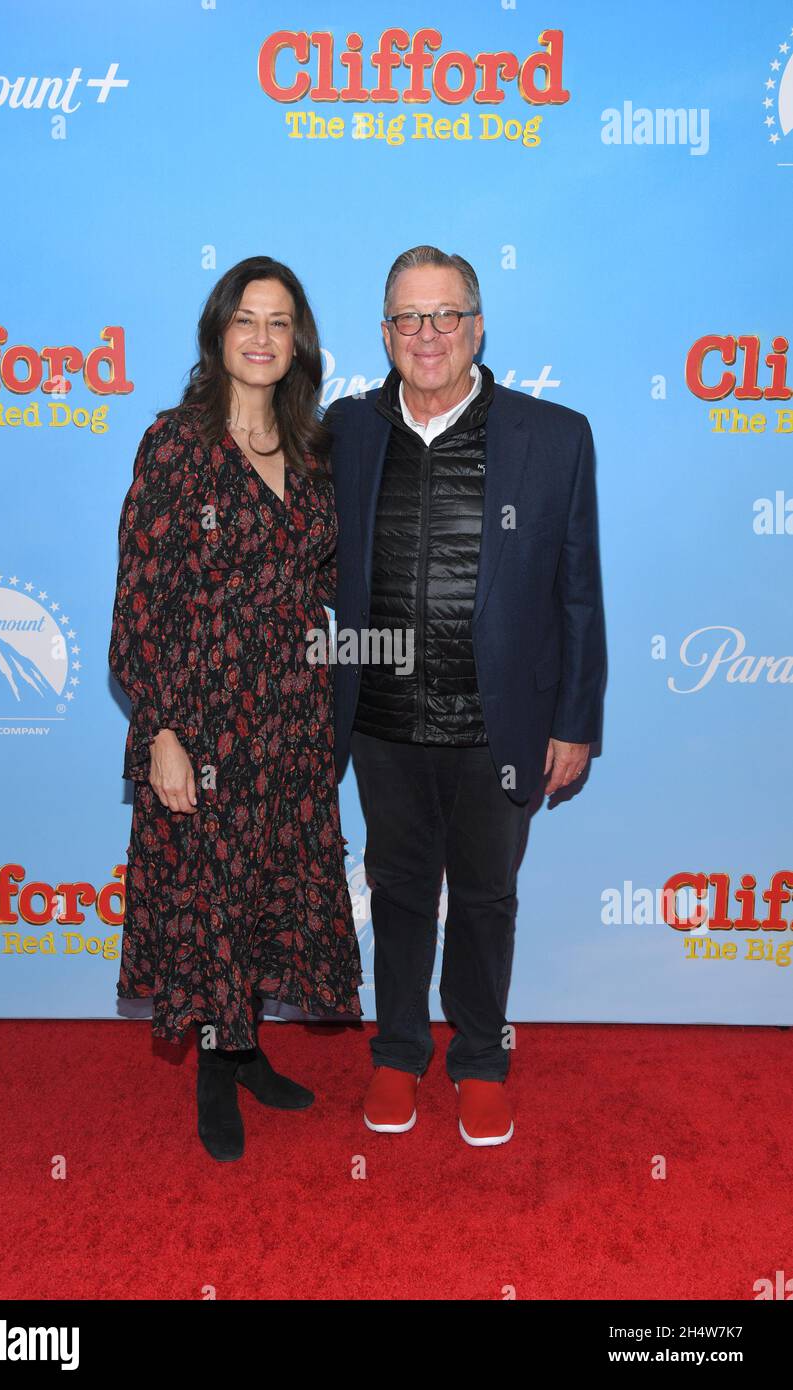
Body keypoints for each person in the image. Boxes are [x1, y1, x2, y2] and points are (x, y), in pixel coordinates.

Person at [323, 245, 606, 1147]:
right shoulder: (347, 431)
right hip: (383, 720)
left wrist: (575, 721)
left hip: (500, 724)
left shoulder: (553, 436)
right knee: (398, 891)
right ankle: (399, 1052)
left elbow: (578, 591)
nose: (427, 335)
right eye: (408, 318)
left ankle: (480, 1058)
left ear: (478, 325)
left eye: (445, 314)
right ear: (385, 334)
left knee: (486, 899)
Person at [109, 256, 362, 1162]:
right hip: (205, 713)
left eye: (280, 322)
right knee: (210, 894)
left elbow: (335, 579)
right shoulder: (175, 443)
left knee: (265, 890)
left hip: (293, 712)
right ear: (219, 333)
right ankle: (216, 1072)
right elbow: (140, 595)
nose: (262, 338)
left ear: (299, 341)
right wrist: (162, 733)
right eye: (246, 320)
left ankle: (248, 1048)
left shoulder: (313, 450)